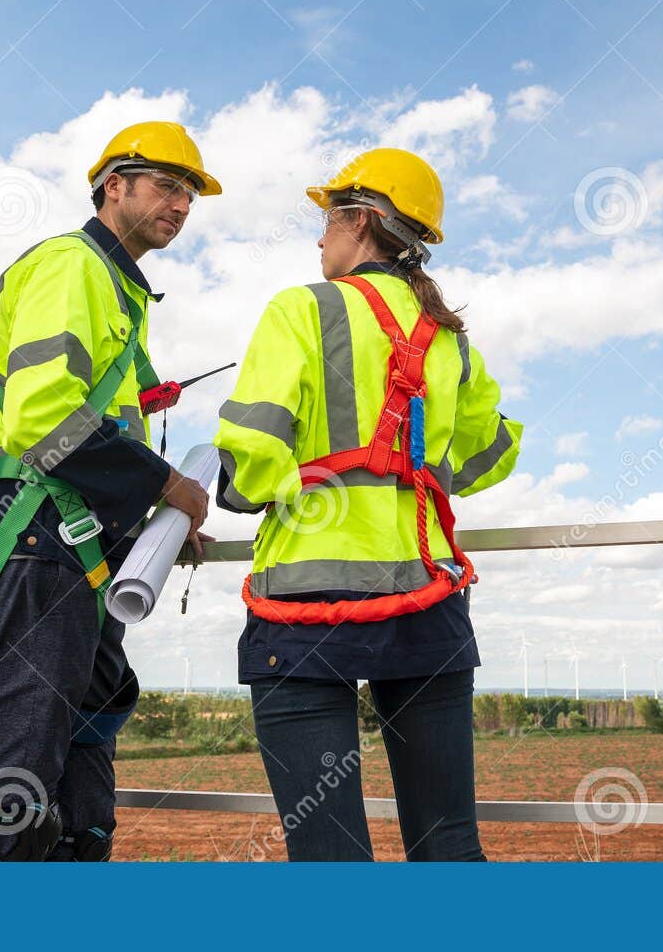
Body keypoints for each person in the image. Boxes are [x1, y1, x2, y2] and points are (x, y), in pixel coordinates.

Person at [214, 147, 522, 861]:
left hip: (304, 605)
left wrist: (234, 489)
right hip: (426, 596)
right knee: (448, 842)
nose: (319, 237)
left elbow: (253, 452)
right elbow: (491, 453)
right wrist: (422, 464)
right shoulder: (448, 339)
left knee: (331, 857)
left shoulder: (302, 307)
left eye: (326, 220)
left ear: (359, 219)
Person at [0, 121, 217, 861]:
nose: (183, 204)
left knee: (80, 813)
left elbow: (102, 437)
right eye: (167, 184)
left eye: (190, 192)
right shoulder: (72, 267)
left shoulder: (122, 299)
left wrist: (161, 519)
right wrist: (168, 483)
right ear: (113, 185)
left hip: (81, 558)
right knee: (15, 802)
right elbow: (43, 418)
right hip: (36, 546)